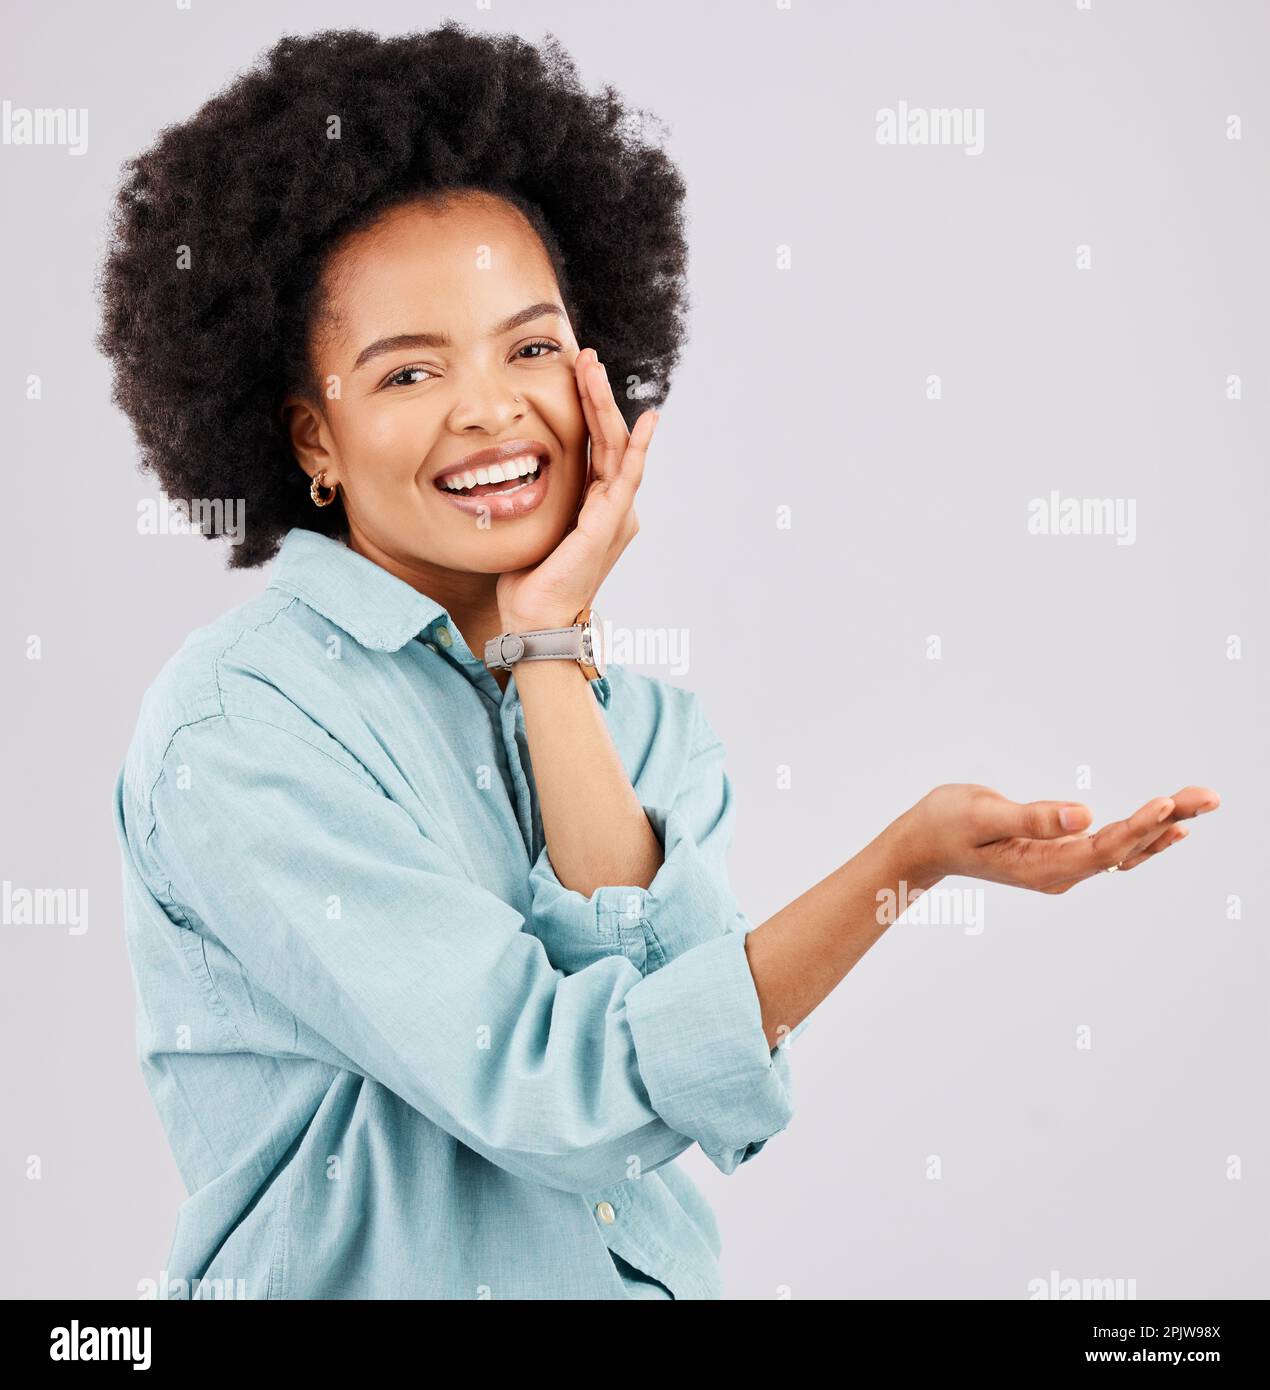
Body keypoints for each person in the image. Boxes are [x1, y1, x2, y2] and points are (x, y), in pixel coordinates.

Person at [99, 24, 1220, 1301]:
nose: (490, 408)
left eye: (530, 347)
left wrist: (546, 652)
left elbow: (719, 1092)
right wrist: (902, 862)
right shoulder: (243, 728)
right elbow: (564, 1098)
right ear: (313, 439)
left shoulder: (645, 728)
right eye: (409, 371)